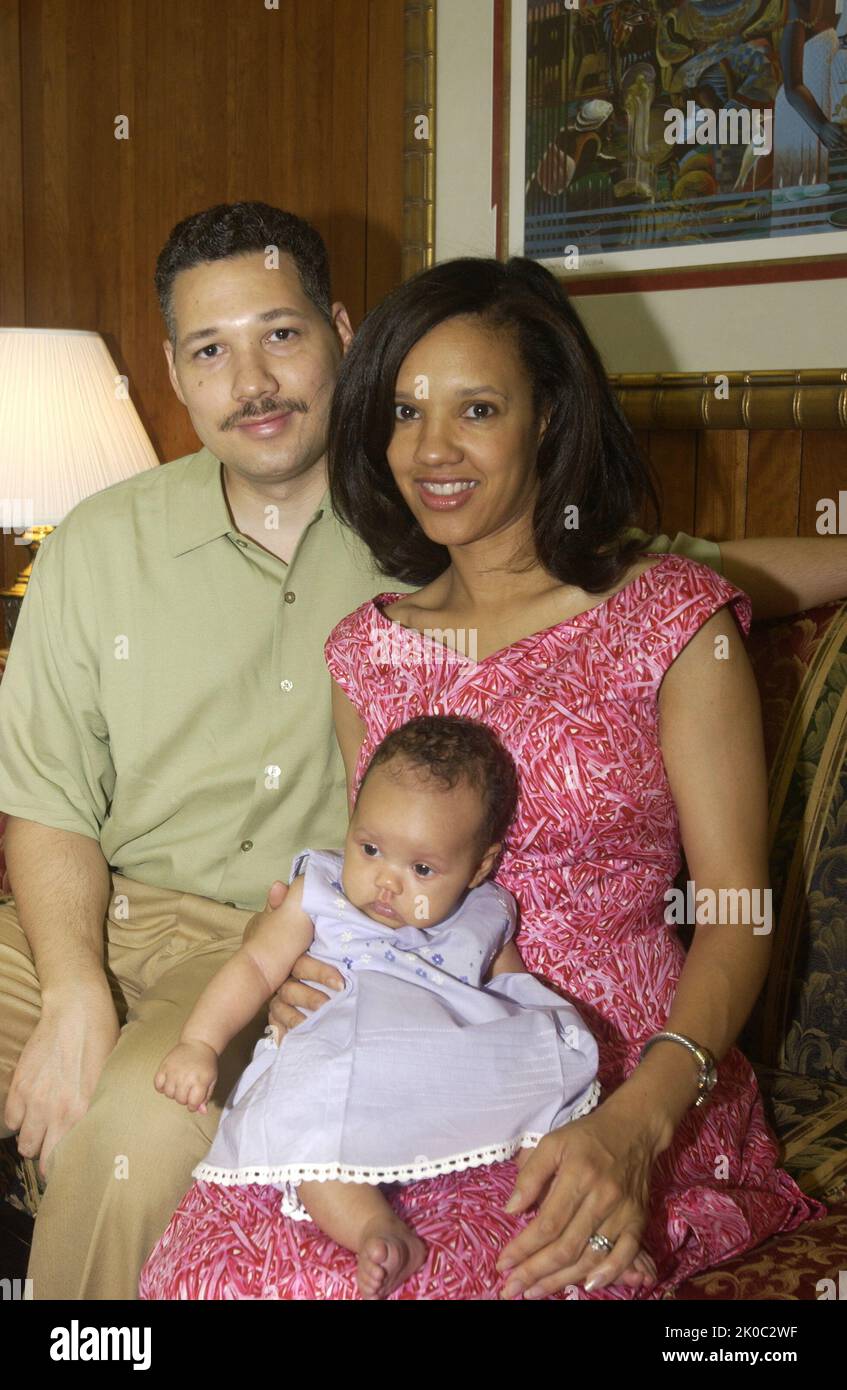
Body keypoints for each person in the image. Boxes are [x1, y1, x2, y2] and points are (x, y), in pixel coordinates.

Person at [0, 203, 843, 1301]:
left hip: (612, 1065)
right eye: (405, 413)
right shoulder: (372, 650)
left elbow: (739, 904)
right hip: (394, 1039)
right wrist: (291, 957)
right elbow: (368, 882)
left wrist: (641, 1118)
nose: (433, 449)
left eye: (477, 409)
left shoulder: (672, 617)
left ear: (545, 418)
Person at [154, 715, 634, 1301]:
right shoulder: (321, 892)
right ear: (351, 822)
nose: (387, 882)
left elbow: (514, 994)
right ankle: (376, 1230)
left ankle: (588, 1236)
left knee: (550, 1111)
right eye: (371, 848)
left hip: (446, 1066)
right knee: (307, 1142)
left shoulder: (486, 912)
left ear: (480, 867)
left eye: (423, 870)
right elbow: (256, 967)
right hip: (344, 1063)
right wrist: (200, 1043)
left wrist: (539, 1056)